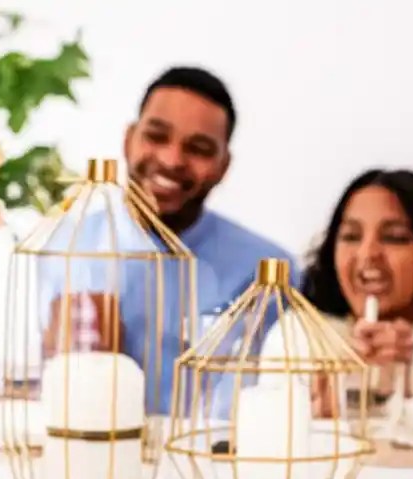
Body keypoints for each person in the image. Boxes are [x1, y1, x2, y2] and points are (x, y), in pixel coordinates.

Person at [41, 67, 295, 414]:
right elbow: (29, 388)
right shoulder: (65, 245)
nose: (172, 160)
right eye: (156, 136)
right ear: (129, 139)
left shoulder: (268, 270)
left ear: (223, 166)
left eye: (199, 148)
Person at [293, 169, 413, 415]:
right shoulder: (296, 339)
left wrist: (408, 381)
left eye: (394, 238)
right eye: (351, 236)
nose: (367, 254)